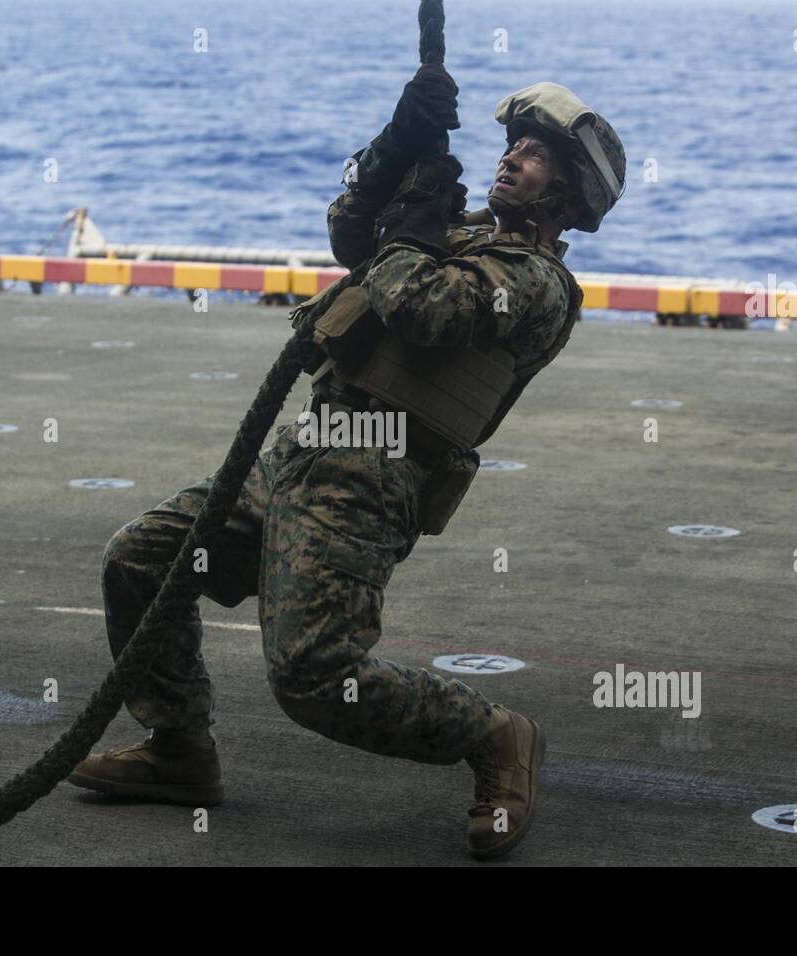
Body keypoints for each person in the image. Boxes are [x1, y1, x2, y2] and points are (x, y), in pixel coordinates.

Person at [68, 67, 625, 860]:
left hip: (371, 480)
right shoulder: (457, 232)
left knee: (316, 675)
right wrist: (398, 152)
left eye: (536, 157)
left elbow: (425, 307)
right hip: (304, 452)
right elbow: (350, 235)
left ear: (567, 198)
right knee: (141, 560)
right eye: (514, 146)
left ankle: (498, 737)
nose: (512, 160)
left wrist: (415, 222)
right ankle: (179, 749)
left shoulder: (538, 286)